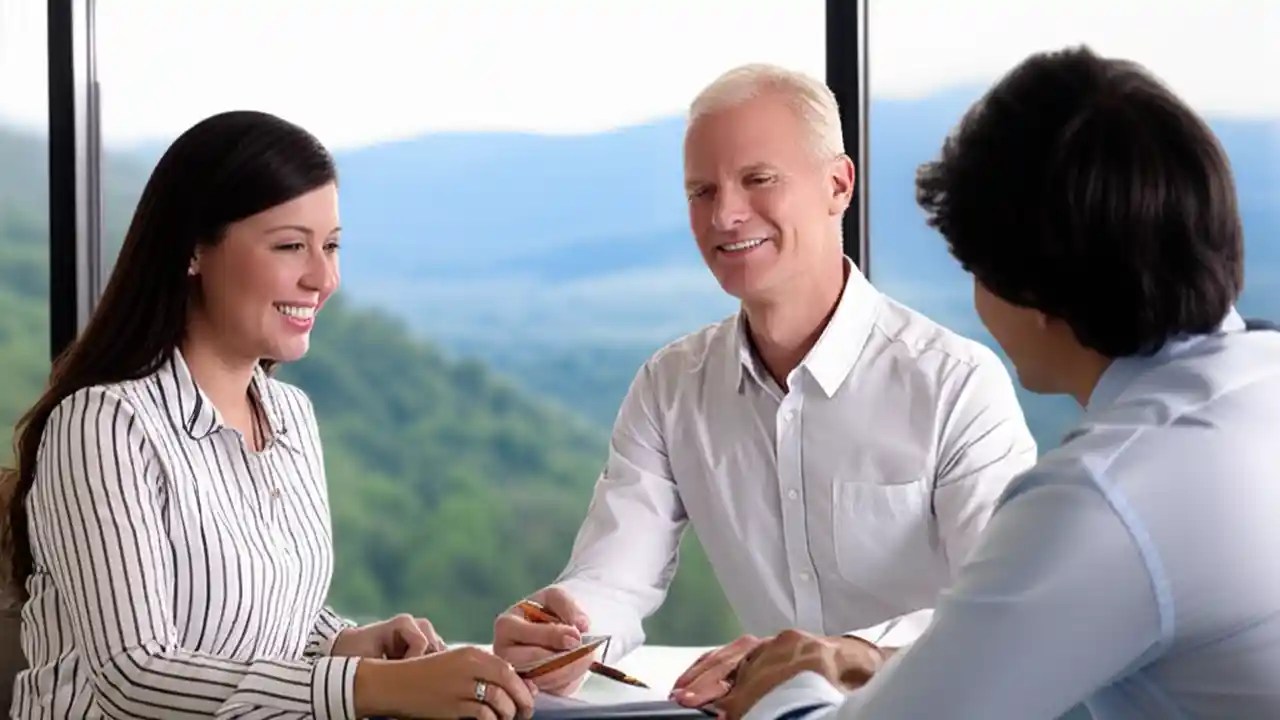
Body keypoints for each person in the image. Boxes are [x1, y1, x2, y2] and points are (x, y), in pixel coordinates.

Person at [721, 46, 1280, 720]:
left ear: (1035, 292)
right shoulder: (1255, 386)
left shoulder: (1105, 495)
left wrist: (785, 689)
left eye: (974, 267)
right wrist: (896, 668)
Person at [492, 64, 1037, 706]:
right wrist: (560, 633)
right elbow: (613, 580)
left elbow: (1006, 622)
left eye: (758, 180)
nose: (725, 213)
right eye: (701, 191)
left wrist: (839, 657)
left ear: (838, 185)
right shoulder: (671, 388)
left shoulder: (956, 386)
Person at [0, 111, 534, 720]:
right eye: (290, 246)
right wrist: (367, 688)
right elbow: (134, 674)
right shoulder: (104, 426)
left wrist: (346, 644)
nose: (323, 277)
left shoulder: (290, 416)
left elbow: (260, 620)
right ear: (193, 251)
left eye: (331, 245)